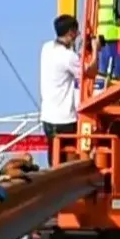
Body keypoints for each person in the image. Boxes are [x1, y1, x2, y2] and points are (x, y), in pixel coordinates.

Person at [40, 13, 83, 144]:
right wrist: (95, 50)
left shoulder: (46, 48)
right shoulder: (68, 56)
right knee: (70, 160)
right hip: (65, 120)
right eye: (77, 33)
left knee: (54, 159)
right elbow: (89, 73)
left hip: (47, 117)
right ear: (71, 33)